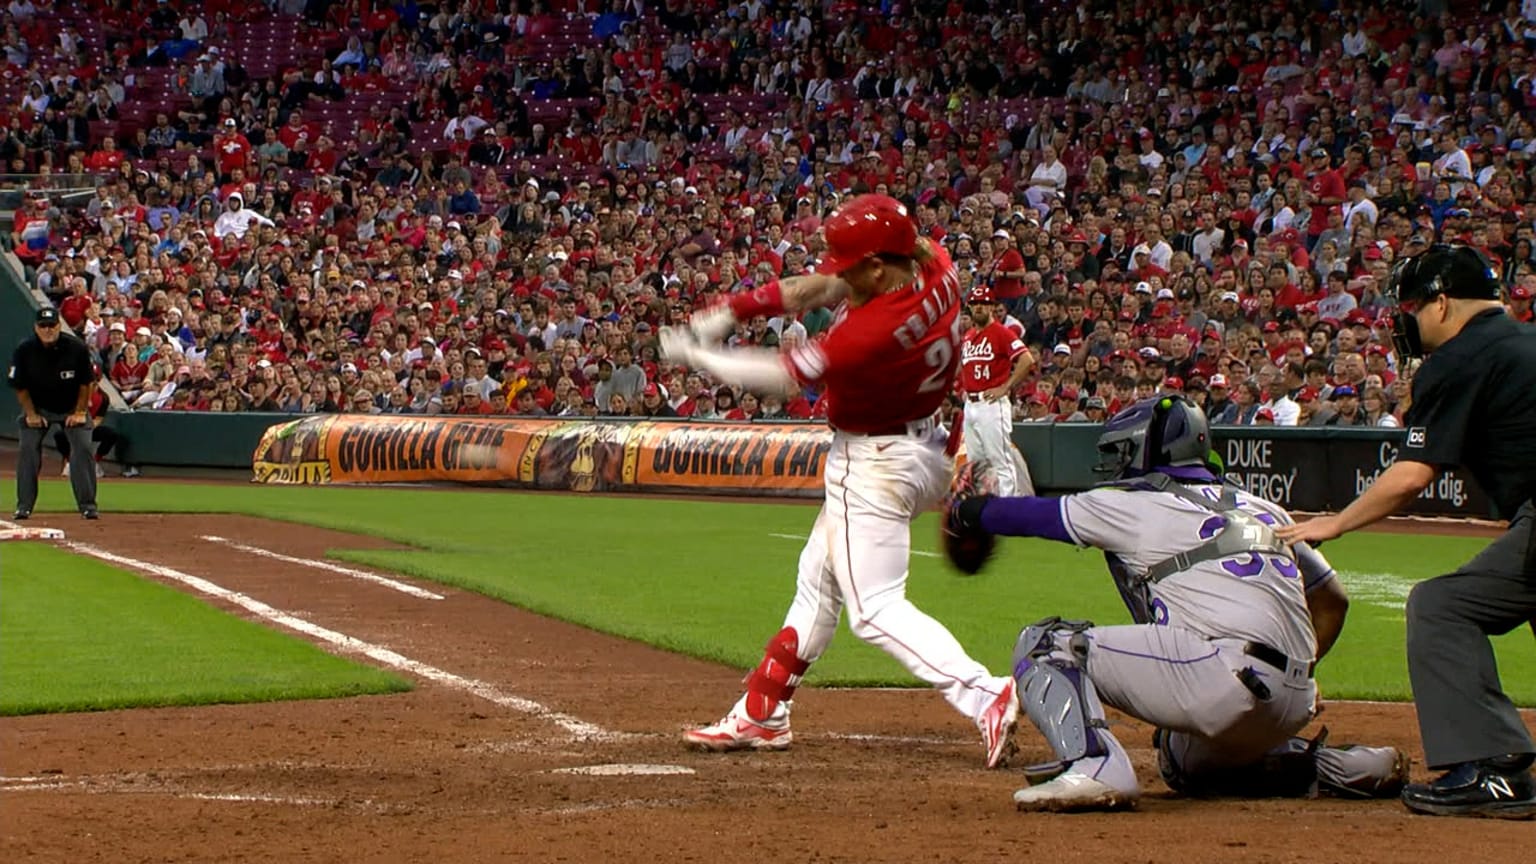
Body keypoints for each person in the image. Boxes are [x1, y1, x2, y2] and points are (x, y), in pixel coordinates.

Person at [661, 194, 1019, 766]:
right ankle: (763, 711)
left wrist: (702, 356)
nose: (838, 275)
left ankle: (985, 693)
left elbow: (782, 378)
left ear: (877, 267)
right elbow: (817, 288)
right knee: (817, 578)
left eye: (850, 266)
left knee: (874, 606)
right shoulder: (938, 268)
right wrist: (736, 309)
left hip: (874, 460)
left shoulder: (875, 329)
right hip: (921, 442)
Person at [946, 395, 1408, 811]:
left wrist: (967, 511)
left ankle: (1094, 766)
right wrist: (1301, 672)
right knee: (1179, 758)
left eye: (1123, 450)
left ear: (1147, 449)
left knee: (1044, 644)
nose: (1117, 462)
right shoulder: (1265, 508)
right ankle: (1347, 767)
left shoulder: (1136, 504)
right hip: (1294, 702)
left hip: (1221, 680)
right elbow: (1333, 600)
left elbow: (1030, 516)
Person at [1279, 244, 1536, 819]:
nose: (1410, 321)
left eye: (1415, 307)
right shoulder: (1522, 342)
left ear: (1442, 304)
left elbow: (1412, 475)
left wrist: (1337, 521)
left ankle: (1494, 770)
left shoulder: (1461, 356)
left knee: (1443, 607)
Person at [8, 307, 99, 519]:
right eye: (43, 326)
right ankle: (24, 506)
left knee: (83, 448)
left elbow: (87, 383)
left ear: (59, 326)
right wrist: (30, 414)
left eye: (51, 326)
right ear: (36, 328)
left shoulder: (76, 348)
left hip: (71, 405)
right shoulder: (25, 350)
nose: (47, 330)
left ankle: (88, 506)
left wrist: (79, 411)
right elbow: (19, 385)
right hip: (39, 406)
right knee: (28, 449)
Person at [958, 283, 1035, 496]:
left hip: (991, 404)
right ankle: (983, 510)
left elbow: (1026, 359)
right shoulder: (968, 336)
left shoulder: (1001, 332)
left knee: (1000, 459)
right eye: (975, 304)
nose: (979, 307)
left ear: (992, 306)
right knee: (976, 463)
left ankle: (1008, 510)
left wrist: (1006, 386)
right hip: (971, 404)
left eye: (984, 303)